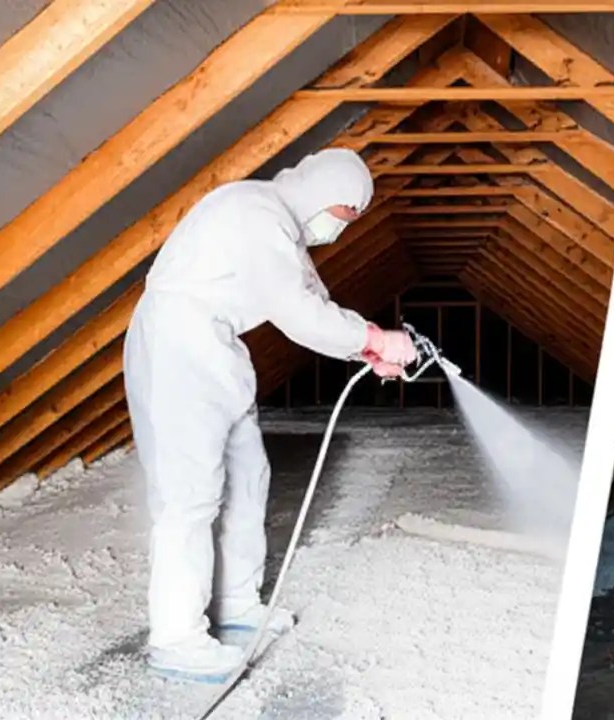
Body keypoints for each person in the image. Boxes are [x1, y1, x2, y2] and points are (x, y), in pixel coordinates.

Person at [122, 148, 417, 683]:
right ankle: (176, 638)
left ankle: (236, 602)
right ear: (326, 193)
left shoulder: (284, 228)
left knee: (248, 475)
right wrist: (373, 337)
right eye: (346, 214)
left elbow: (315, 301)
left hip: (216, 345)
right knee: (189, 494)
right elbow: (297, 312)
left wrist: (366, 350)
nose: (342, 229)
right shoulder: (254, 212)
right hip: (177, 343)